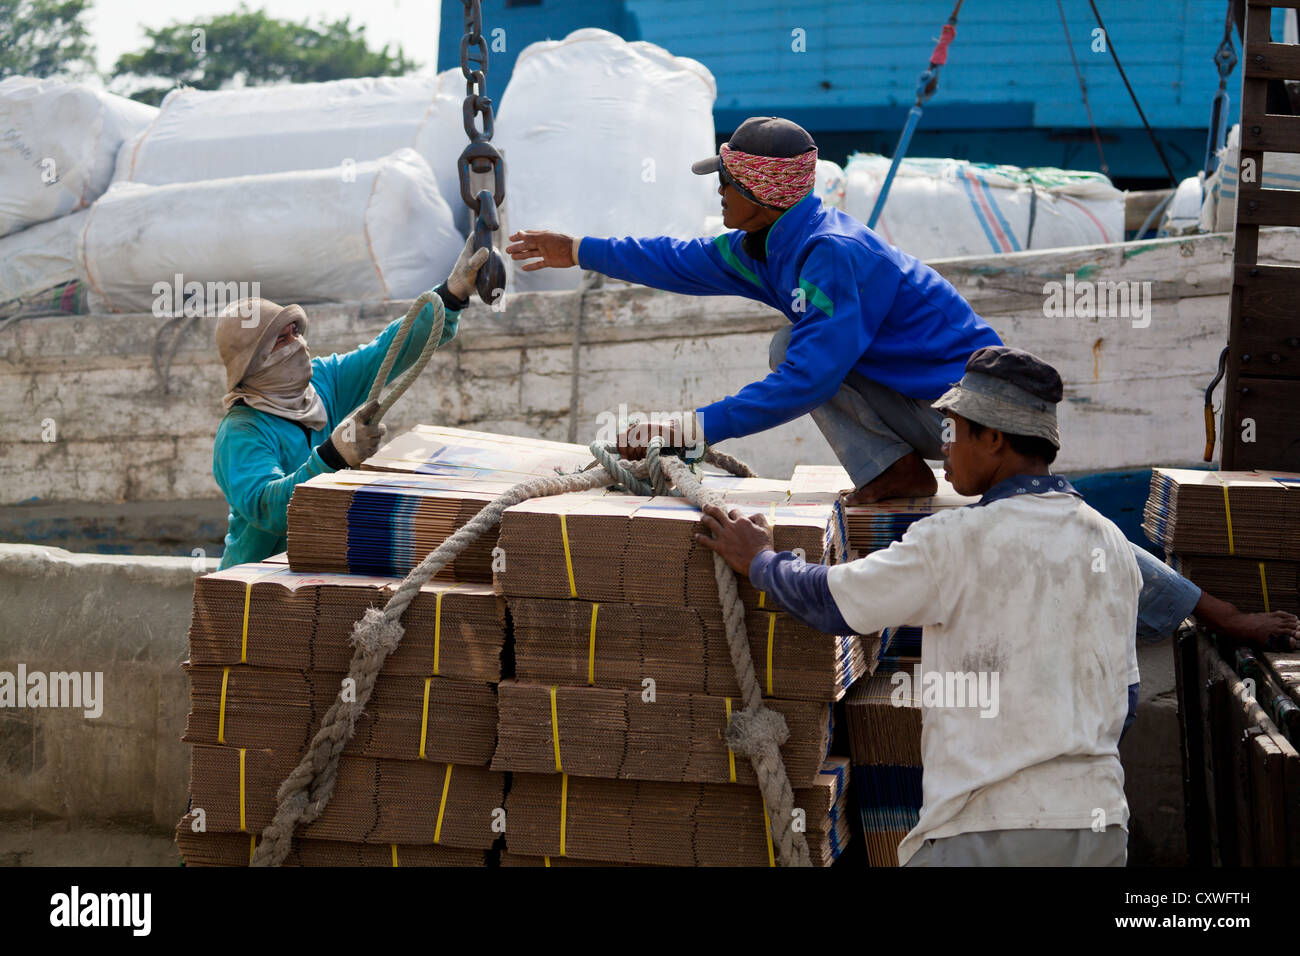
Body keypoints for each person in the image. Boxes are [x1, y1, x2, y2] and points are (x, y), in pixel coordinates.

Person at [693, 346, 1289, 867]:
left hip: (982, 835)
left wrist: (763, 561)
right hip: (1098, 830)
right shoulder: (1109, 542)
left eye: (951, 432)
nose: (942, 450)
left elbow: (832, 603)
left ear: (994, 439)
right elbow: (1124, 701)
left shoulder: (955, 542)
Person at [506, 115, 1002, 503]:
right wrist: (576, 249)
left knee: (794, 353)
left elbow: (806, 382)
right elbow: (674, 258)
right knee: (792, 346)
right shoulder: (766, 247)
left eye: (725, 180)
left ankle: (893, 472)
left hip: (977, 421)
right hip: (925, 405)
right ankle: (895, 470)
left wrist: (690, 428)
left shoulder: (832, 254)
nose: (718, 191)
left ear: (759, 193)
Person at [211, 237, 489, 570]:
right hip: (252, 581)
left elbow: (386, 351)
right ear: (253, 364)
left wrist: (452, 293)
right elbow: (266, 508)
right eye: (281, 340)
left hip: (314, 566)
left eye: (295, 333)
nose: (298, 344)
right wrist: (332, 456)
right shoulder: (242, 431)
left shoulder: (323, 382)